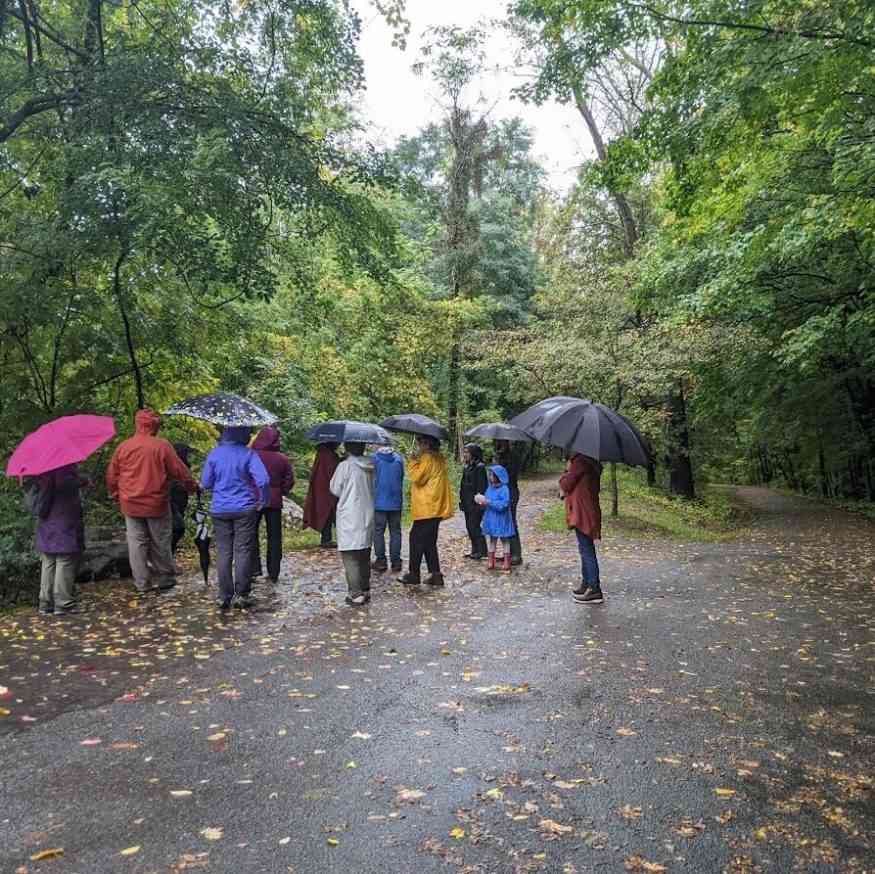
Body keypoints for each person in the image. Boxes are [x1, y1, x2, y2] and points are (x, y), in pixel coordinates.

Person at [107, 409, 197, 595]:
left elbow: (112, 475)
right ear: (154, 426)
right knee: (160, 540)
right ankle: (165, 577)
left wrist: (116, 494)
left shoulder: (124, 447)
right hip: (157, 503)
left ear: (137, 424)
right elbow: (179, 470)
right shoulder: (161, 446)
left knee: (136, 543)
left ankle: (142, 583)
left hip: (130, 504)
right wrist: (192, 486)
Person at [200, 426, 269, 610]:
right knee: (243, 550)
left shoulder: (214, 454)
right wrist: (262, 500)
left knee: (223, 552)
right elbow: (263, 480)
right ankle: (242, 594)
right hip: (245, 508)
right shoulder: (248, 454)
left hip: (220, 509)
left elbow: (206, 483)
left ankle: (224, 596)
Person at [398, 435, 453, 588]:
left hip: (427, 507)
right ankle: (435, 575)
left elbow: (417, 478)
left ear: (427, 444)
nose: (419, 445)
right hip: (435, 507)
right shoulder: (439, 458)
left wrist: (412, 461)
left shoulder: (428, 458)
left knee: (416, 539)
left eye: (420, 442)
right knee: (429, 542)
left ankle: (413, 574)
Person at [33, 464, 88, 615]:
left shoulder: (42, 468)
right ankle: (63, 603)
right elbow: (67, 484)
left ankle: (45, 603)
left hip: (46, 522)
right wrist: (83, 480)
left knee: (48, 560)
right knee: (65, 560)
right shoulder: (63, 469)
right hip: (63, 521)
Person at [330, 442, 376, 606]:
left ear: (348, 448)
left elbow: (335, 489)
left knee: (350, 555)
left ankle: (355, 593)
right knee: (364, 553)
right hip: (367, 511)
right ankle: (365, 589)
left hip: (349, 514)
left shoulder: (345, 466)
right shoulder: (371, 465)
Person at [251, 426, 295, 583]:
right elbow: (289, 479)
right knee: (274, 537)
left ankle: (254, 568)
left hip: (254, 499)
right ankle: (274, 571)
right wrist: (281, 491)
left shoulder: (252, 455)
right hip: (274, 500)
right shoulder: (282, 458)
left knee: (251, 534)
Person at [559, 453, 604, 604]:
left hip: (582, 512)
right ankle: (587, 584)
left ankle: (594, 588)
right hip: (588, 509)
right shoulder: (592, 462)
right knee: (585, 548)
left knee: (586, 549)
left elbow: (566, 484)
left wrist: (567, 470)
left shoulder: (580, 461)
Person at [477, 465, 516, 572]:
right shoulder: (490, 487)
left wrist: (489, 502)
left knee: (505, 540)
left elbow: (503, 505)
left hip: (502, 519)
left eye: (492, 475)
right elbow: (486, 500)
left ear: (499, 476)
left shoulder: (504, 489)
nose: (490, 477)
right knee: (492, 540)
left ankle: (507, 562)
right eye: (489, 475)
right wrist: (481, 501)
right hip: (491, 518)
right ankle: (491, 561)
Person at [371, 446, 404, 573]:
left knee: (378, 532)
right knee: (395, 531)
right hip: (395, 502)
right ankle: (396, 562)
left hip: (379, 502)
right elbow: (401, 477)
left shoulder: (375, 459)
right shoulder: (399, 459)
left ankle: (381, 561)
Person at [303, 442, 339, 548]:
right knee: (332, 514)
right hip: (329, 489)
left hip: (320, 489)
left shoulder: (321, 453)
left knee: (325, 514)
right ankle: (333, 539)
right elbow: (333, 472)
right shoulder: (329, 456)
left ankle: (326, 539)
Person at [495, 440, 523, 565]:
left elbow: (508, 476)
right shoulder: (498, 455)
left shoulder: (514, 456)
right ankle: (508, 553)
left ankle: (516, 554)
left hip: (510, 492)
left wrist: (500, 465)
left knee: (511, 522)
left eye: (503, 443)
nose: (501, 445)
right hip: (500, 493)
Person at [460, 443, 488, 560]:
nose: (465, 454)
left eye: (467, 452)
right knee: (469, 527)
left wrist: (479, 503)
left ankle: (482, 550)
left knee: (474, 526)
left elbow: (482, 487)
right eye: (464, 452)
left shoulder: (480, 467)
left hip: (475, 503)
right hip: (466, 502)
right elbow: (463, 485)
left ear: (473, 453)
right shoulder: (466, 467)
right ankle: (474, 550)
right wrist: (461, 500)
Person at [170, 443, 193, 556]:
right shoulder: (175, 466)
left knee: (175, 528)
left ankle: (169, 555)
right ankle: (168, 555)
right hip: (172, 501)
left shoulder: (185, 465)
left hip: (180, 501)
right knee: (178, 528)